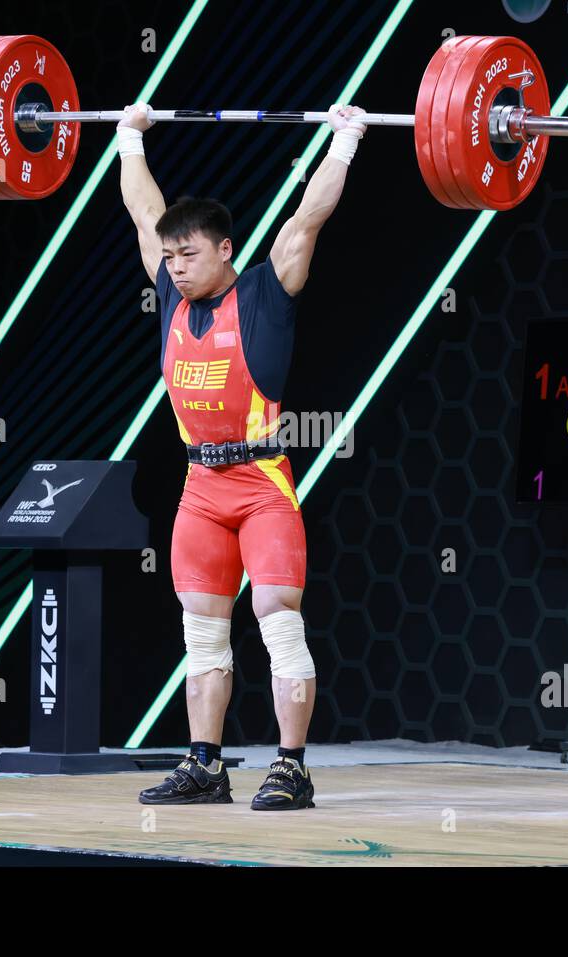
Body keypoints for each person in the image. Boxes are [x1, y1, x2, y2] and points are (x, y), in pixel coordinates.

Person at [118, 102, 367, 809]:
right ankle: (206, 765)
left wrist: (344, 140)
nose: (174, 266)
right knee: (203, 635)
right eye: (170, 257)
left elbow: (308, 216)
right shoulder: (170, 293)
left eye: (187, 254)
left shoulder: (266, 290)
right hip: (199, 487)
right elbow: (146, 215)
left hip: (261, 483)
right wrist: (128, 141)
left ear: (224, 249)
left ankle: (292, 767)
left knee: (277, 618)